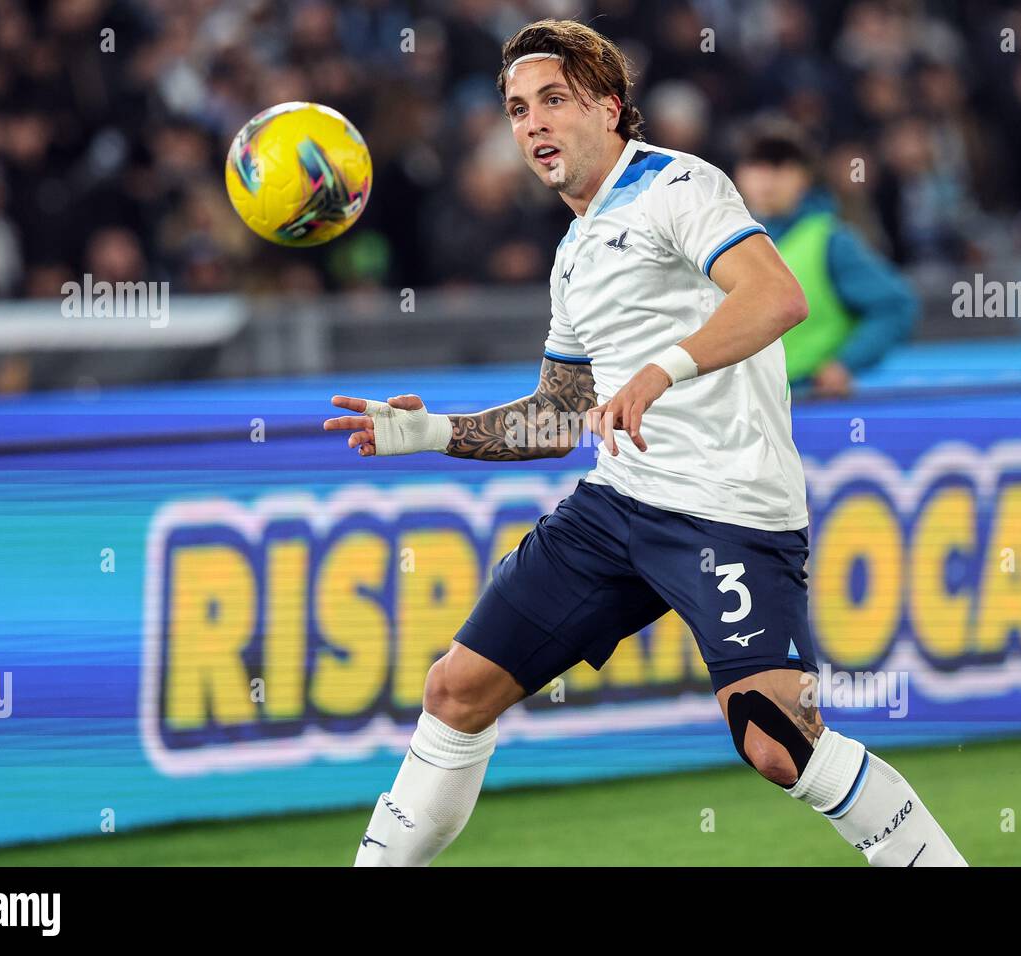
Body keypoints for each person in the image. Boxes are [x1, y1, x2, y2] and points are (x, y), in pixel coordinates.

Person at [324, 18, 966, 868]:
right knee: (456, 688)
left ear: (610, 108)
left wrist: (661, 370)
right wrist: (430, 431)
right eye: (518, 110)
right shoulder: (573, 253)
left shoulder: (678, 185)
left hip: (728, 510)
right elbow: (559, 414)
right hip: (618, 506)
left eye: (554, 100)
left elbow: (776, 297)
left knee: (776, 740)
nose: (534, 125)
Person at [733, 124, 918, 397]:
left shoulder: (830, 240)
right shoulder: (726, 240)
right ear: (740, 175)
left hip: (809, 399)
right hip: (745, 402)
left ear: (804, 177)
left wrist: (844, 364)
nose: (768, 180)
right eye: (758, 166)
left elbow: (895, 306)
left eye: (781, 168)